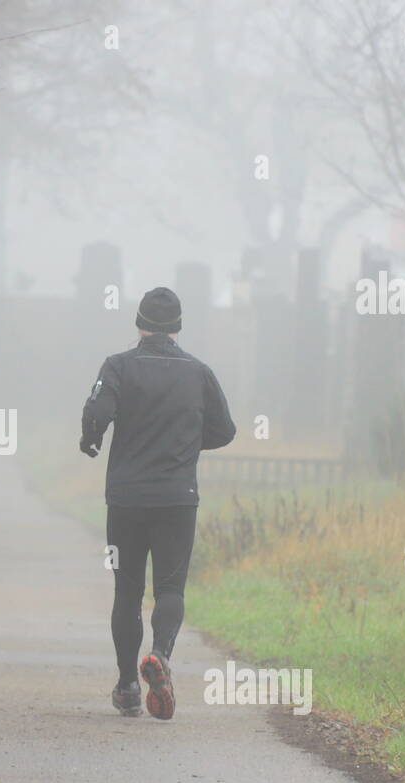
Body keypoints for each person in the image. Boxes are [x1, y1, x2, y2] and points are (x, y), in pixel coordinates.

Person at [80, 286, 236, 719]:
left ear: (139, 324)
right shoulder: (199, 373)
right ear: (178, 328)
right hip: (177, 498)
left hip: (126, 499)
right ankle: (161, 656)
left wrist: (91, 441)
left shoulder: (117, 367)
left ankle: (128, 685)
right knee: (170, 588)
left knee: (126, 591)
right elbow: (225, 430)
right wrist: (184, 444)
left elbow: (96, 413)